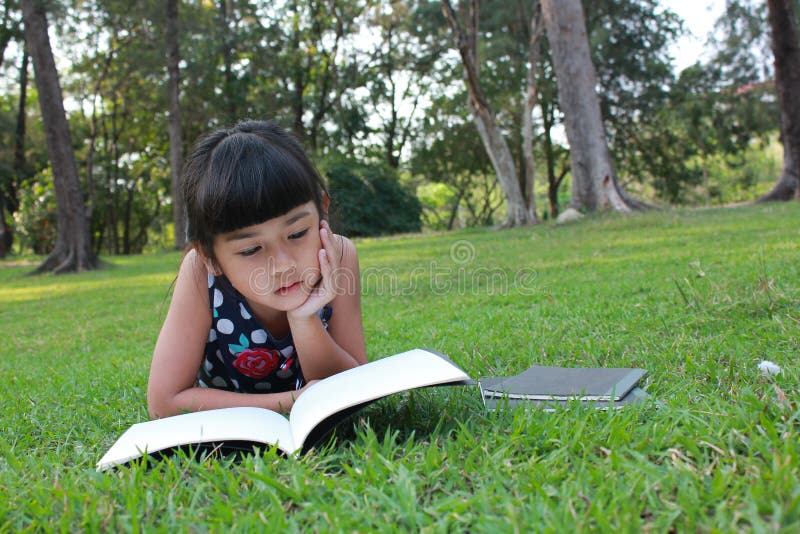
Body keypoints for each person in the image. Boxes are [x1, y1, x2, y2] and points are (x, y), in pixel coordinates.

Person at [147, 120, 367, 419]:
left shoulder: (338, 256)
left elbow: (356, 385)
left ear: (322, 210)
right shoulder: (201, 272)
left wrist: (305, 319)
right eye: (251, 250)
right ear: (210, 255)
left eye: (298, 233)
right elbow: (165, 401)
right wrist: (292, 401)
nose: (283, 265)